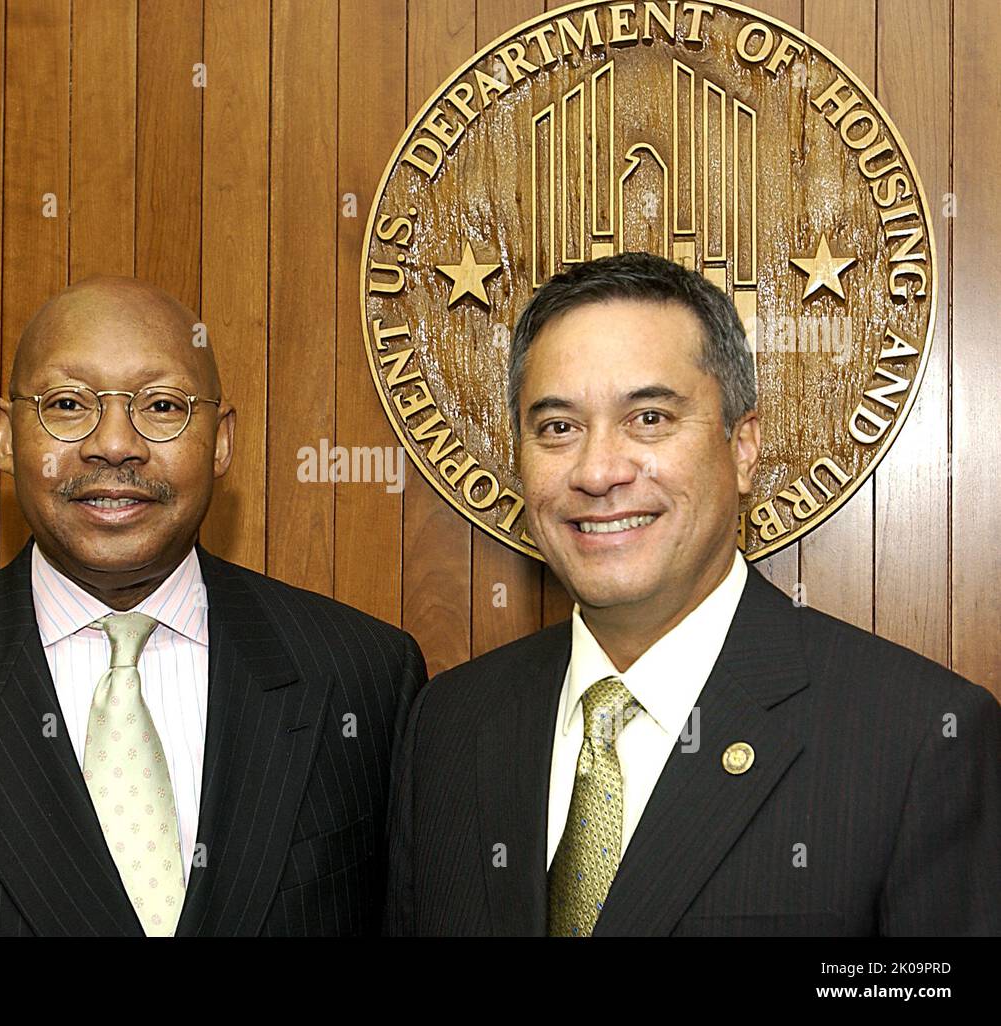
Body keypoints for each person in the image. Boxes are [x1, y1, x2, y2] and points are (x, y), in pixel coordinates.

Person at [0, 276, 426, 936]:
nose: (113, 444)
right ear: (4, 436)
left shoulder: (365, 679)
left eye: (161, 405)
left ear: (221, 440)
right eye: (68, 404)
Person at [385, 252, 1000, 937]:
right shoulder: (449, 726)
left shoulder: (916, 739)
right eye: (558, 428)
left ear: (743, 448)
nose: (598, 471)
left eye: (649, 418)